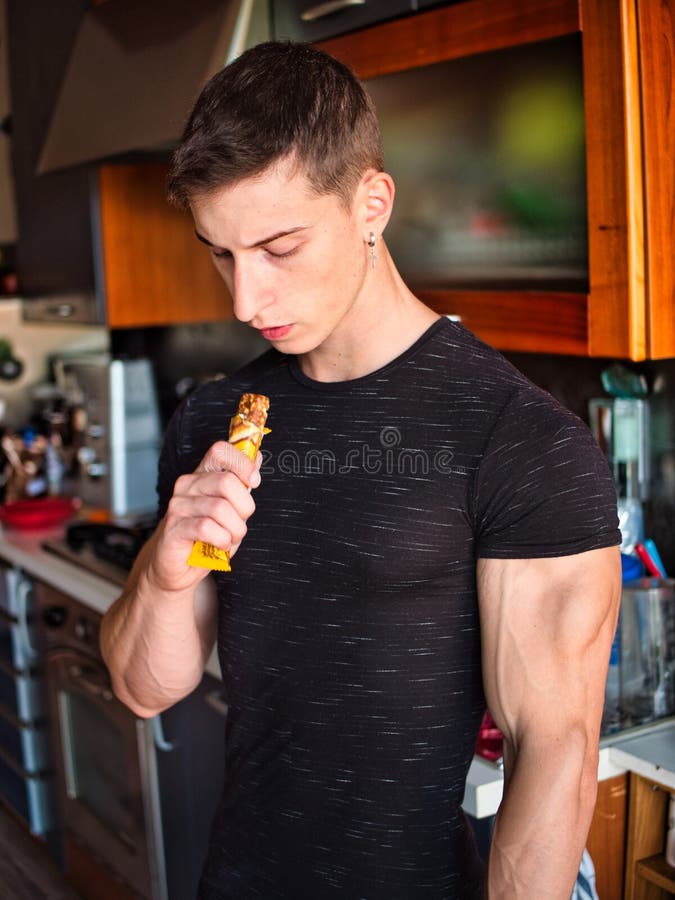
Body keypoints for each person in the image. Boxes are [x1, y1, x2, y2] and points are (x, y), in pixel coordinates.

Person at [100, 41, 622, 899]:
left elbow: (554, 752)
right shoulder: (214, 420)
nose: (244, 300)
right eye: (221, 253)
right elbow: (146, 689)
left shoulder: (519, 438)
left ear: (370, 203)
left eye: (278, 247)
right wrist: (161, 571)